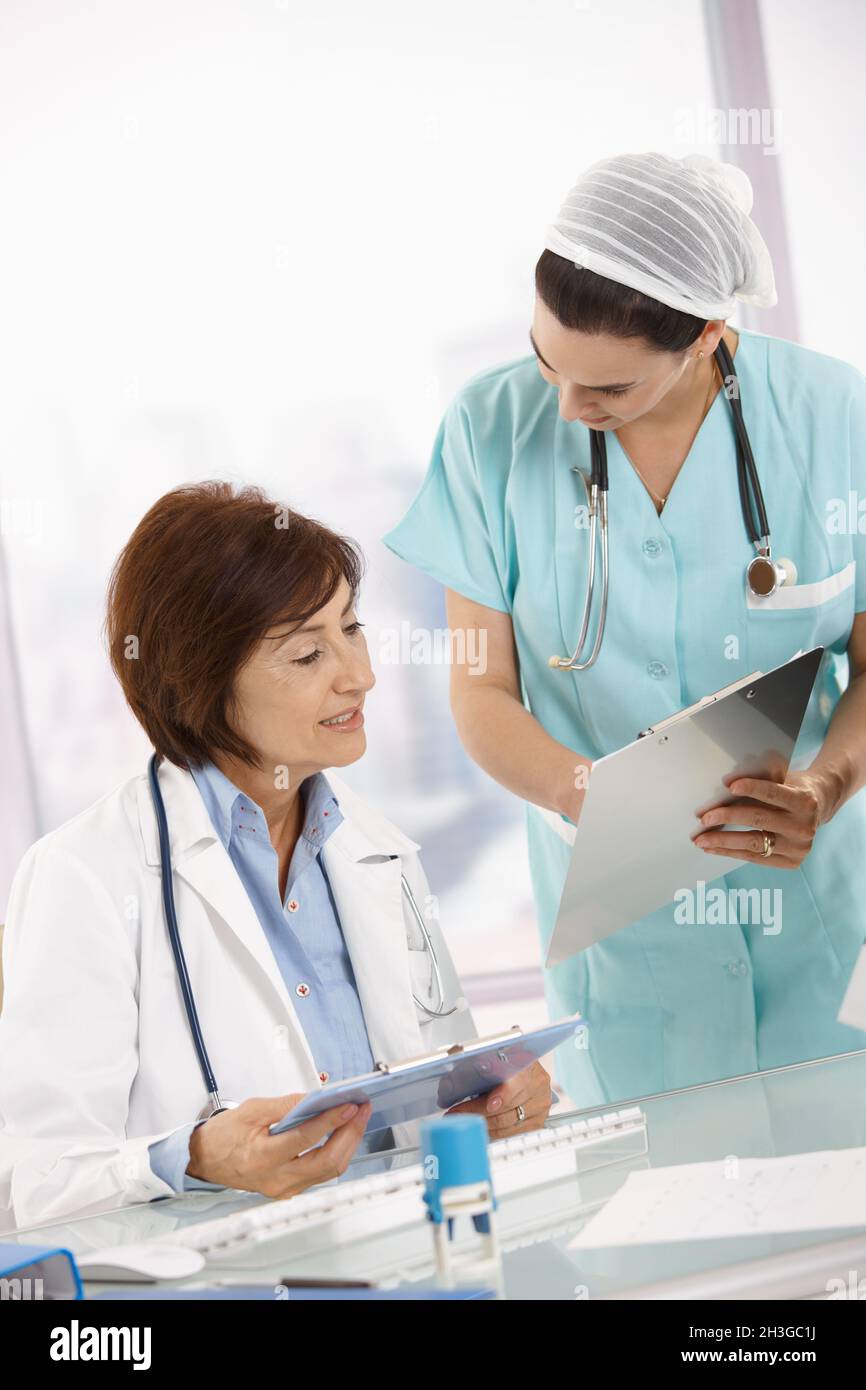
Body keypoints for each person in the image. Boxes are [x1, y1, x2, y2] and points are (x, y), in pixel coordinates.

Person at [383, 151, 866, 1108]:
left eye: (609, 390)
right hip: (626, 952)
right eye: (545, 360)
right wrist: (583, 795)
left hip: (821, 933)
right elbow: (480, 686)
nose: (568, 407)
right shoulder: (489, 430)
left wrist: (824, 784)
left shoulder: (833, 414)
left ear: (709, 338)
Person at [0, 482, 551, 1232]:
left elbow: (427, 1094)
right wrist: (192, 1158)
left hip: (406, 1258)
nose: (358, 674)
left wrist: (492, 1102)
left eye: (352, 629)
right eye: (306, 653)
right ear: (199, 679)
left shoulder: (376, 851)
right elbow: (33, 1181)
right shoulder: (85, 876)